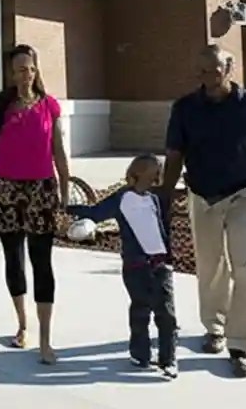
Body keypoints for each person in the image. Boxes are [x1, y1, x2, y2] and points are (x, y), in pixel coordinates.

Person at [161, 43, 246, 378]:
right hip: (202, 195)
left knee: (245, 267)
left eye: (213, 70)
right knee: (210, 265)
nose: (207, 76)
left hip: (243, 193)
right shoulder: (186, 108)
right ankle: (215, 327)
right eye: (201, 71)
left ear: (229, 68)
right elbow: (175, 154)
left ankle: (242, 344)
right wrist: (164, 196)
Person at [0, 44, 71, 365]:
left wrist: (66, 190)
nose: (26, 75)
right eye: (20, 69)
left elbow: (59, 152)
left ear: (37, 71)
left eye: (31, 68)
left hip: (42, 192)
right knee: (14, 258)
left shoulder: (49, 107)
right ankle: (22, 324)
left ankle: (45, 339)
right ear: (10, 74)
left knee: (43, 263)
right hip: (6, 191)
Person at [67, 154, 179, 379]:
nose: (156, 177)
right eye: (153, 173)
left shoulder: (154, 199)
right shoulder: (122, 199)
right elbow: (96, 213)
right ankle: (140, 354)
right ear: (136, 174)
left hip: (159, 266)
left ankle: (168, 359)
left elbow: (161, 229)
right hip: (135, 266)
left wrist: (169, 257)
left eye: (158, 173)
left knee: (166, 314)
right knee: (140, 310)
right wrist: (69, 209)